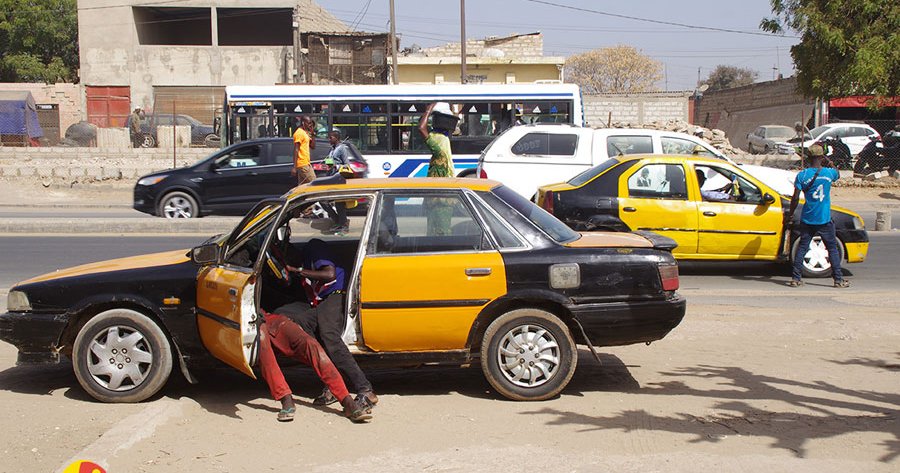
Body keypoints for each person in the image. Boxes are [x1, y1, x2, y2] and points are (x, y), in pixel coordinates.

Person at [277, 239, 378, 411]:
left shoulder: (313, 246)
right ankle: (333, 386)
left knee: (330, 337)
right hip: (321, 302)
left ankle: (365, 389)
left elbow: (330, 274)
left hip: (335, 295)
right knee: (299, 321)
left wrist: (297, 271)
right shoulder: (304, 259)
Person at [257, 309, 371, 423]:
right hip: (251, 322)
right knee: (262, 343)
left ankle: (347, 401)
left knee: (311, 345)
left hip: (271, 318)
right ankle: (285, 397)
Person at [784, 144, 849, 288]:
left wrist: (791, 214)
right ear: (821, 157)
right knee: (832, 248)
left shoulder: (802, 175)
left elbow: (795, 198)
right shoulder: (828, 173)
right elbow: (837, 173)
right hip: (824, 219)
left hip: (807, 218)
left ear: (808, 157)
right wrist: (830, 162)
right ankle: (838, 279)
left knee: (802, 248)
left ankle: (796, 278)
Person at [418, 102, 458, 235]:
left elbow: (422, 128)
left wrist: (429, 111)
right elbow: (422, 128)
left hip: (441, 198)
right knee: (441, 233)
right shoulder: (440, 143)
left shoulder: (441, 142)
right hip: (442, 198)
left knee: (437, 232)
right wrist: (429, 111)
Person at [323, 131, 351, 234]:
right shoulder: (332, 149)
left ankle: (343, 224)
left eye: (331, 138)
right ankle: (338, 221)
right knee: (323, 201)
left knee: (339, 203)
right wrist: (327, 164)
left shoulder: (341, 149)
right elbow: (330, 161)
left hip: (338, 178)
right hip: (330, 178)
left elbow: (347, 165)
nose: (329, 140)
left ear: (336, 138)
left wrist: (336, 166)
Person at [292, 116, 317, 186]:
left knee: (303, 187)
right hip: (303, 164)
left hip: (306, 163)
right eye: (309, 123)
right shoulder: (299, 133)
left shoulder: (305, 133)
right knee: (315, 184)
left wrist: (312, 134)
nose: (310, 125)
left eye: (311, 124)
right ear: (303, 123)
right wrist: (294, 167)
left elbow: (313, 146)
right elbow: (296, 149)